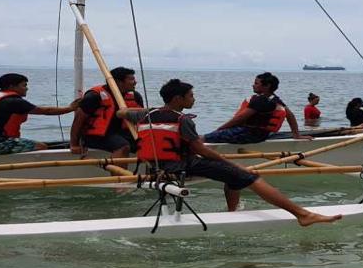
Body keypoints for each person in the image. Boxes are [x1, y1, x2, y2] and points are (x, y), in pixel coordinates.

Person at [120, 78, 342, 227]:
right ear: (178, 99)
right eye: (190, 96)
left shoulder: (144, 116)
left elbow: (122, 113)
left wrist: (148, 110)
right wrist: (229, 162)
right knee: (250, 176)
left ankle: (232, 212)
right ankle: (303, 215)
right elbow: (200, 150)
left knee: (232, 177)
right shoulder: (182, 120)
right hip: (180, 167)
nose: (194, 99)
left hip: (155, 166)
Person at [0, 73, 79, 154]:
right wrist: (70, 108)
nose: (27, 88)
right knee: (41, 146)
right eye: (24, 85)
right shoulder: (13, 101)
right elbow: (46, 111)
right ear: (12, 86)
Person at [204, 72, 310, 143]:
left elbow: (239, 119)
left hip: (247, 134)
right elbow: (290, 115)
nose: (253, 85)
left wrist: (220, 129)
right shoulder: (275, 99)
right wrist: (296, 135)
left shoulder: (260, 100)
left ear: (267, 85)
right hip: (262, 135)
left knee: (202, 138)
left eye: (256, 83)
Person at [69, 66, 143, 157]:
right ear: (118, 82)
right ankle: (117, 171)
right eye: (131, 79)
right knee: (123, 146)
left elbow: (141, 119)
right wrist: (74, 144)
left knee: (149, 143)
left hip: (122, 133)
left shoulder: (135, 97)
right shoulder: (95, 96)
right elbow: (78, 120)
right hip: (96, 136)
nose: (135, 82)